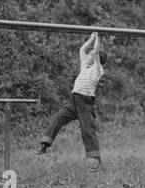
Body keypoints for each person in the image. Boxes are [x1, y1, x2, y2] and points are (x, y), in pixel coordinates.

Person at [38, 31, 105, 167]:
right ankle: (45, 144)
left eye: (91, 55)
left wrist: (98, 38)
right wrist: (91, 39)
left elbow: (96, 52)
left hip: (85, 102)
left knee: (87, 130)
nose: (89, 55)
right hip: (74, 101)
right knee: (58, 118)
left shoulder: (97, 69)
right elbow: (82, 50)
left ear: (97, 59)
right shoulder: (84, 67)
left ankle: (96, 159)